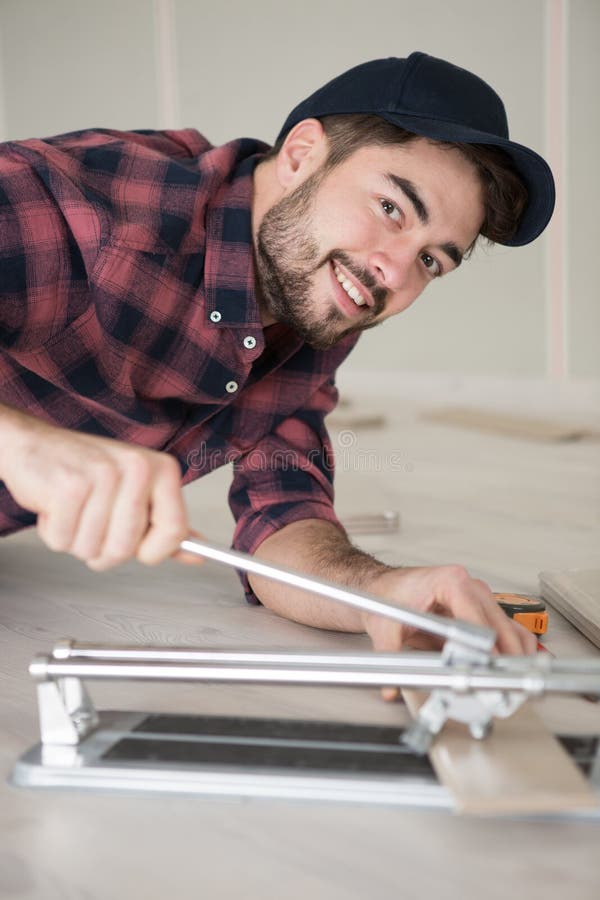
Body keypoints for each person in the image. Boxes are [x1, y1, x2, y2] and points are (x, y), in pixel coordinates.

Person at [0, 52, 554, 662]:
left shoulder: (316, 308)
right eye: (391, 208)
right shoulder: (79, 210)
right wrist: (23, 445)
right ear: (300, 155)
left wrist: (382, 594)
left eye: (431, 261)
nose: (393, 272)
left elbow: (282, 521)